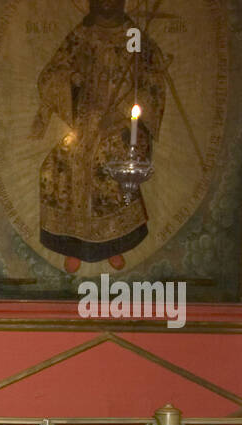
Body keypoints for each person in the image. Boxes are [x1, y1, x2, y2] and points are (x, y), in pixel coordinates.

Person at [31, 0, 168, 273]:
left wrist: (131, 101)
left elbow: (153, 78)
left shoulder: (135, 36)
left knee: (105, 165)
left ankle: (114, 245)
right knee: (55, 166)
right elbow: (54, 72)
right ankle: (71, 246)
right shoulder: (82, 34)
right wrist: (73, 80)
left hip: (120, 122)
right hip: (86, 119)